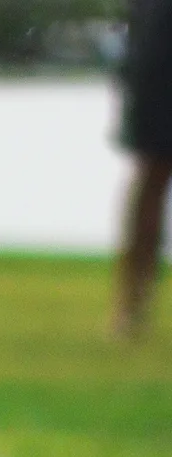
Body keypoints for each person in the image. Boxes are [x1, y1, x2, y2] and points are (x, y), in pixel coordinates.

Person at [113, 0, 172, 341]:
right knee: (152, 174)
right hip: (157, 53)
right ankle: (131, 305)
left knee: (150, 179)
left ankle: (131, 307)